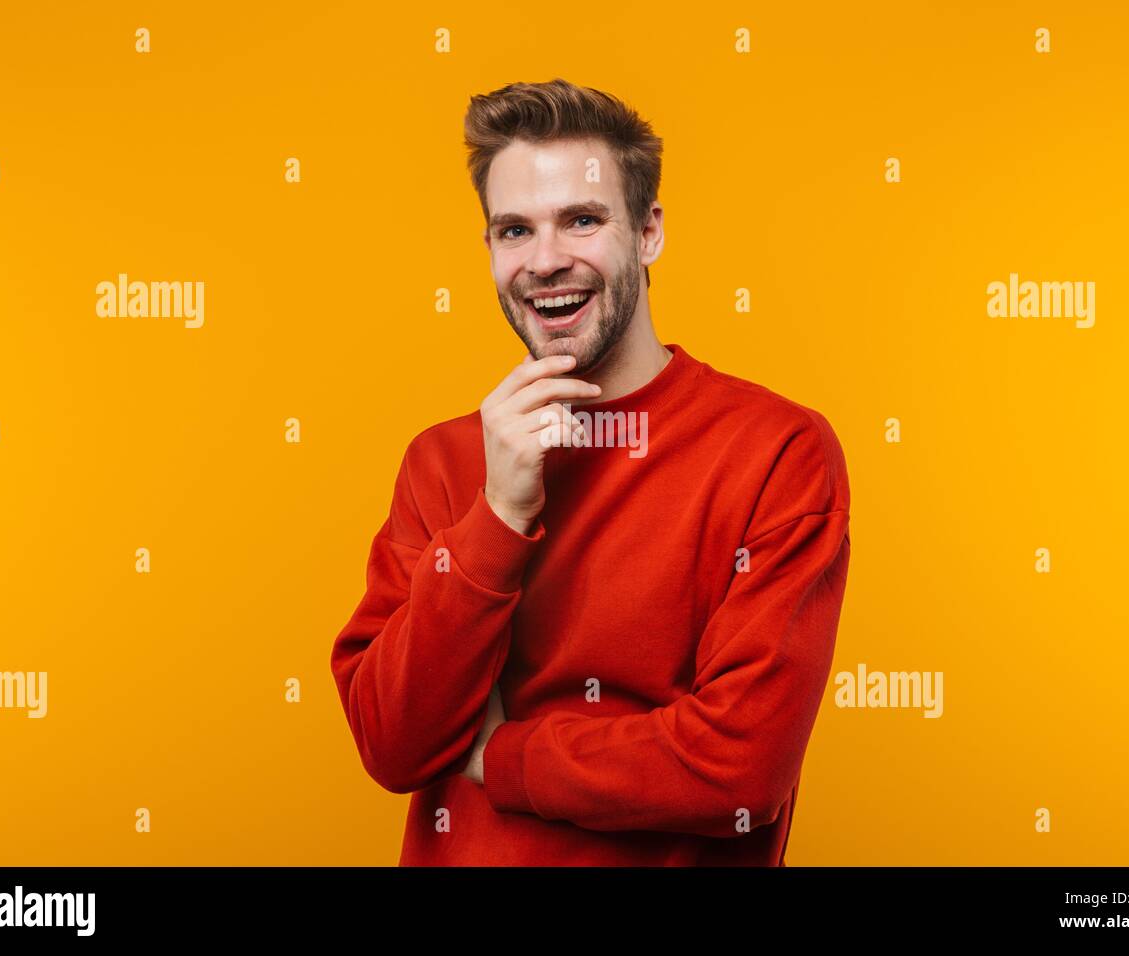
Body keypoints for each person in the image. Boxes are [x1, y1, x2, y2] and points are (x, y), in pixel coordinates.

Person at [330, 77, 852, 865]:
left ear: (648, 233)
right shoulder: (442, 462)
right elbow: (391, 743)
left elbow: (739, 770)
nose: (546, 262)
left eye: (581, 220)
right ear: (490, 249)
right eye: (514, 230)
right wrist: (499, 515)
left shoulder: (776, 451)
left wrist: (499, 758)